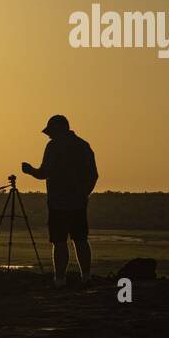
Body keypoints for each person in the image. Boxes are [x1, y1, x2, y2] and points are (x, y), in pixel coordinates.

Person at [21, 114, 98, 287]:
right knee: (80, 239)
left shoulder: (54, 146)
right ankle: (86, 277)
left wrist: (30, 171)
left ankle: (60, 279)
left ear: (56, 130)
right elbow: (93, 175)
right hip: (78, 203)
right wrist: (83, 194)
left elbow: (44, 173)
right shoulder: (83, 146)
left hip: (58, 203)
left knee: (59, 241)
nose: (48, 135)